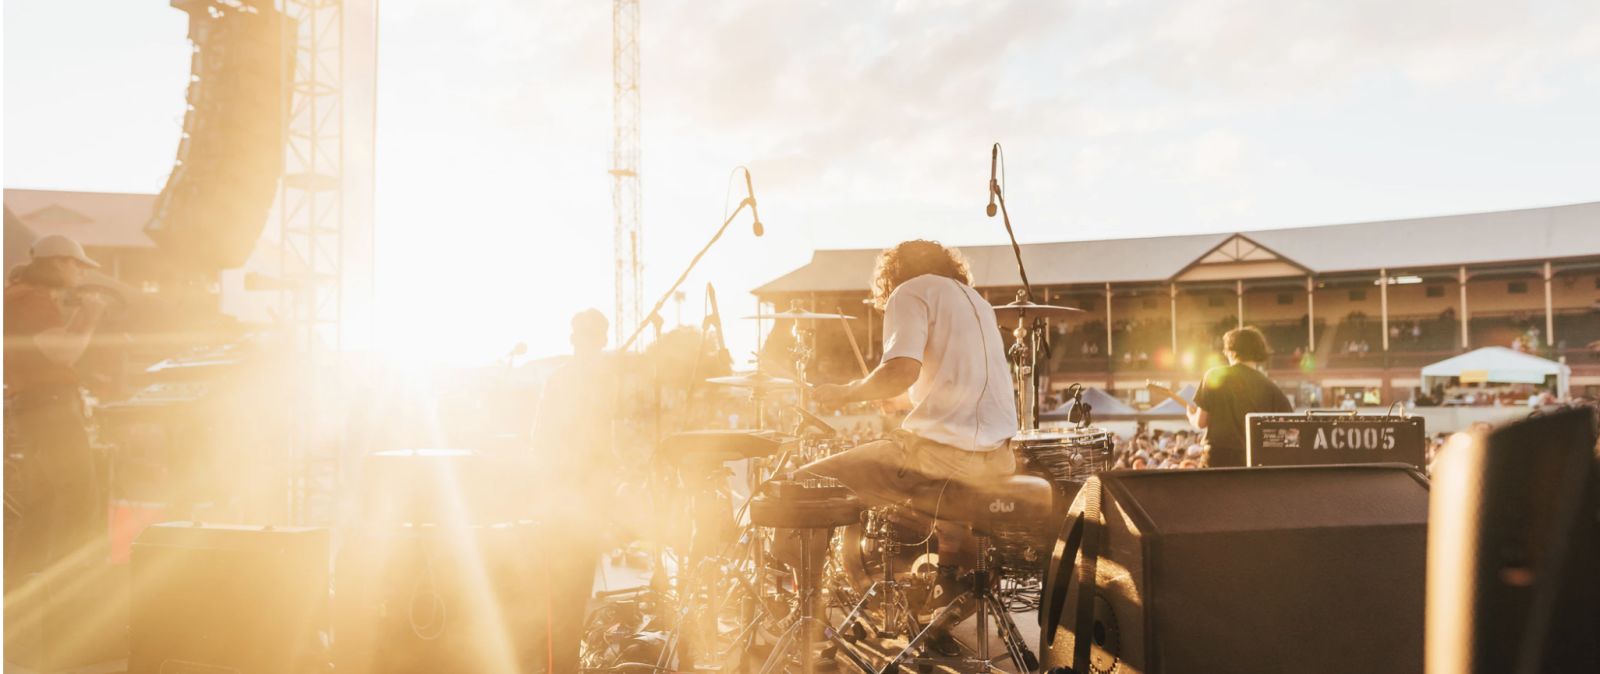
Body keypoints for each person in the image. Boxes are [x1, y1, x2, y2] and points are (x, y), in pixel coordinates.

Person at [802, 240, 1016, 628]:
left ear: (892, 274)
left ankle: (810, 620)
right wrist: (904, 403)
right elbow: (961, 390)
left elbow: (901, 371)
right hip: (996, 457)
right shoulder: (976, 302)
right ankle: (944, 605)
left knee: (808, 486)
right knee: (946, 508)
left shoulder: (910, 291)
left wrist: (845, 392)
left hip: (943, 455)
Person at [4, 235, 110, 584]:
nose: (81, 274)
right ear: (59, 263)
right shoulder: (31, 301)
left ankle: (25, 586)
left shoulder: (19, 298)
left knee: (43, 502)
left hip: (34, 409)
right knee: (78, 494)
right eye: (78, 265)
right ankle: (72, 584)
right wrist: (89, 315)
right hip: (51, 409)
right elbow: (62, 353)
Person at [529, 309, 616, 673]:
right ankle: (561, 665)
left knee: (569, 596)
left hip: (575, 503)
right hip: (568, 504)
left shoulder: (577, 381)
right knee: (566, 597)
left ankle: (564, 663)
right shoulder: (581, 383)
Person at [1178, 326, 1293, 468]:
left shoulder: (1215, 376)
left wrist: (1191, 416)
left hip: (1217, 459)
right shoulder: (1271, 388)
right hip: (1254, 462)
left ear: (1230, 351)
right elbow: (1290, 430)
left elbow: (1201, 423)